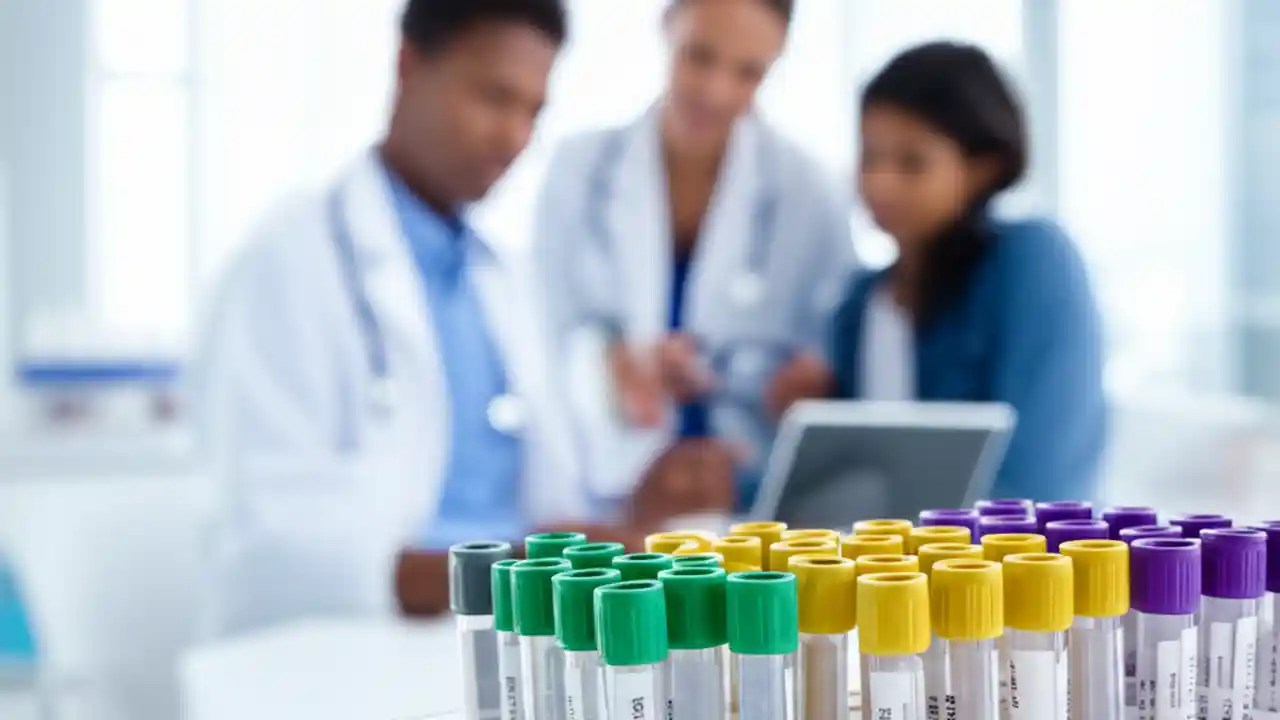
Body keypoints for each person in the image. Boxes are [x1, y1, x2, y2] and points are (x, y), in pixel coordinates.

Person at [194, 0, 722, 636]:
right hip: (352, 642)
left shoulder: (498, 278)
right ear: (408, 65)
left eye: (533, 111)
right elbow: (268, 548)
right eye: (494, 98)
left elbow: (537, 506)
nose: (513, 138)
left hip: (494, 628)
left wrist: (636, 504)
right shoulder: (286, 264)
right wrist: (501, 572)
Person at [535, 0, 856, 511]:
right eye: (698, 57)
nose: (715, 91)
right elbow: (544, 334)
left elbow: (836, 352)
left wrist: (806, 380)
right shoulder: (579, 170)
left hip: (753, 493)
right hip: (613, 488)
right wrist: (612, 367)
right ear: (666, 26)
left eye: (748, 72)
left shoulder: (811, 192)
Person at [772, 42, 1106, 501]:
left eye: (912, 162)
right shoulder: (859, 304)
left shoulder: (1032, 261)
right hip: (891, 564)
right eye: (870, 157)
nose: (879, 183)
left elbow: (1038, 484)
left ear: (982, 168)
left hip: (1009, 565)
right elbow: (854, 474)